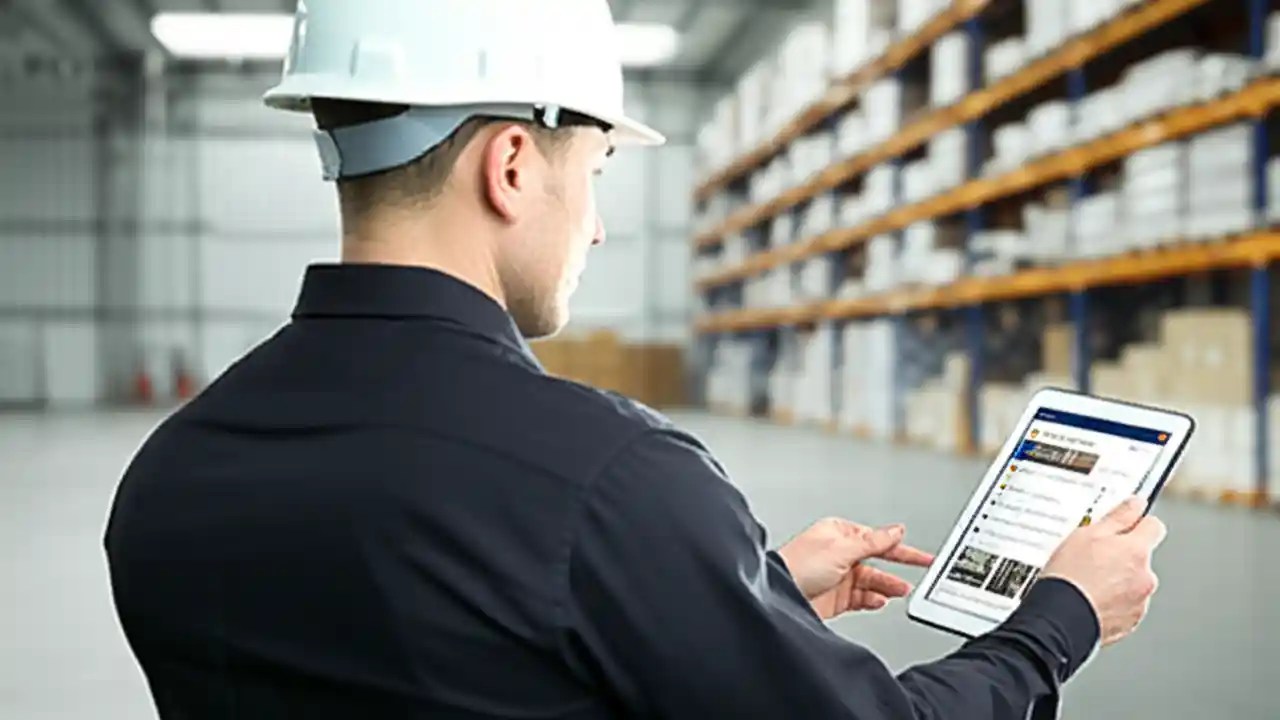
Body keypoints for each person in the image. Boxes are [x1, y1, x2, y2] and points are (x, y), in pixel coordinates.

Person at [103, 1, 1167, 718]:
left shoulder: (171, 475)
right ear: (511, 166)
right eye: (597, 171)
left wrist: (738, 603)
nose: (599, 226)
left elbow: (465, 652)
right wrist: (1055, 622)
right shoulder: (607, 480)